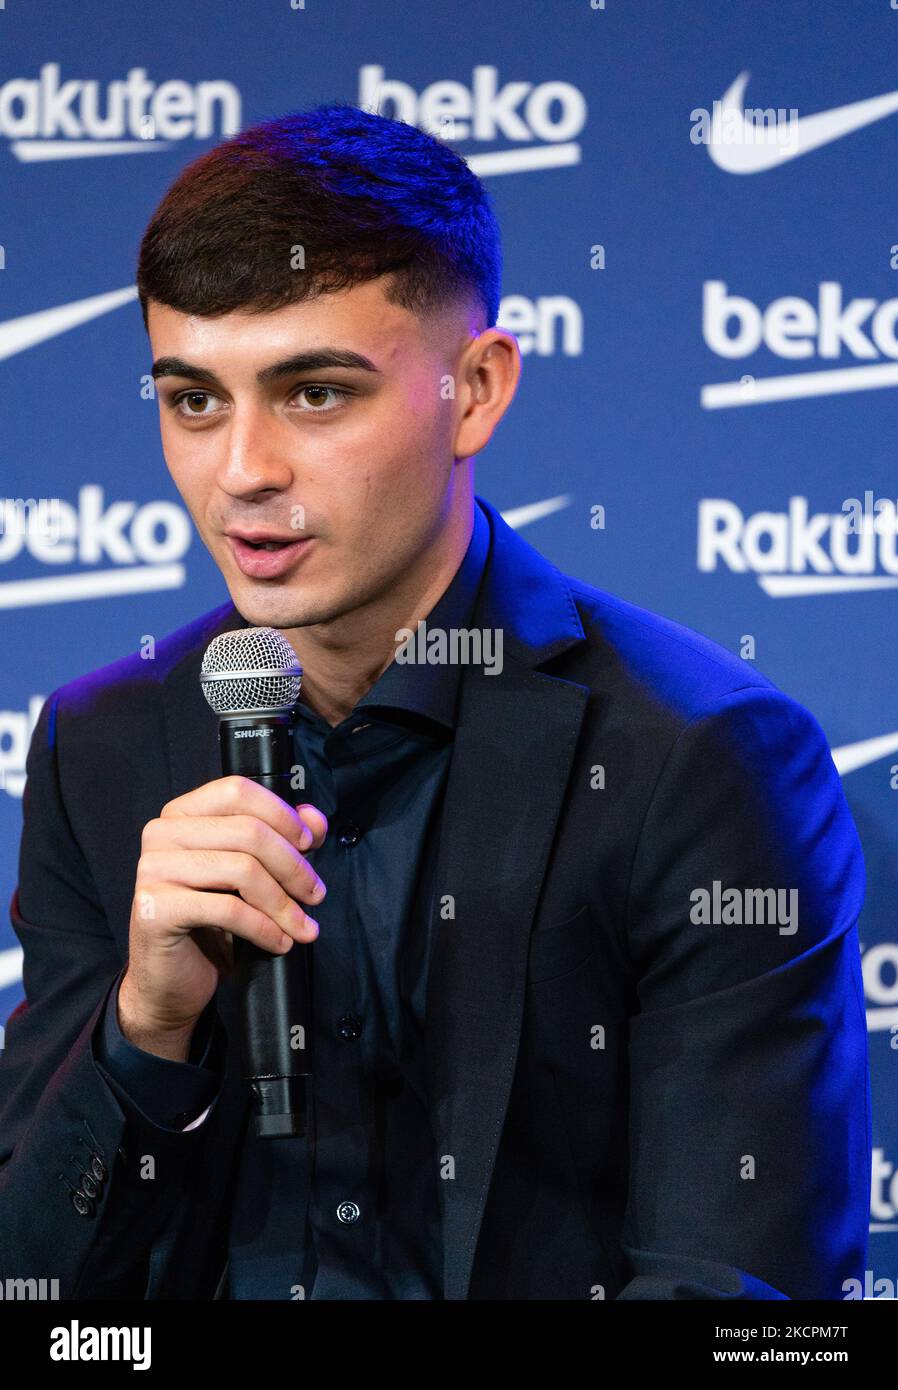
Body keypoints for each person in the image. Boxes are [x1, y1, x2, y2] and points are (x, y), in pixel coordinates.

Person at [0, 103, 870, 1300]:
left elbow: (741, 1306)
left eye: (313, 393)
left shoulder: (698, 756)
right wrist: (143, 1029)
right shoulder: (100, 747)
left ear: (474, 390)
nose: (243, 469)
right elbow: (38, 1291)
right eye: (193, 399)